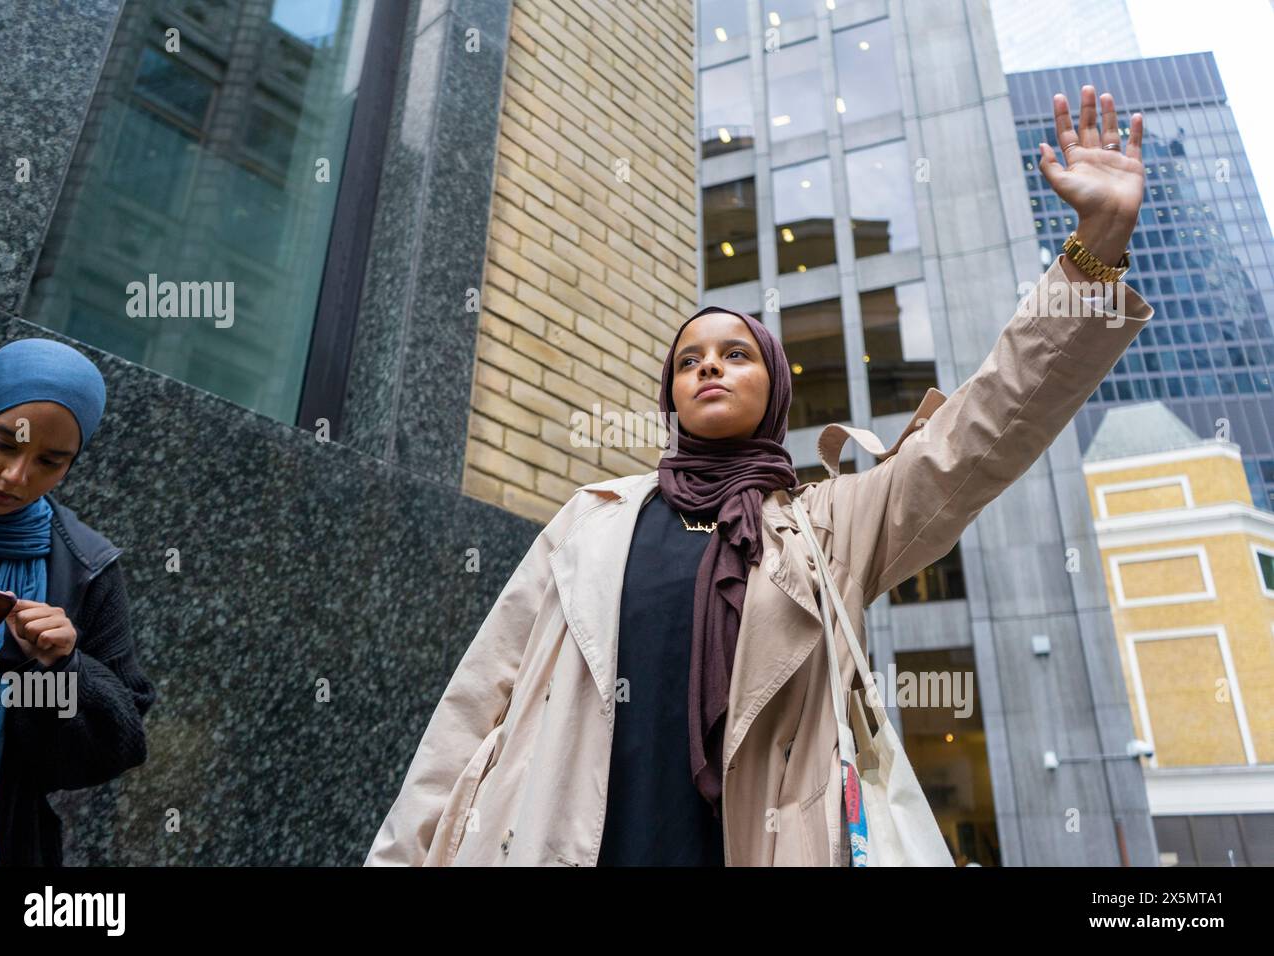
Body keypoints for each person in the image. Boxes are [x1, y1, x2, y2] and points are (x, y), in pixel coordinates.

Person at [366, 86, 1153, 866]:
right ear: (671, 395)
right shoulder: (592, 519)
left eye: (735, 353)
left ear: (774, 384)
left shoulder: (834, 524)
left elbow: (987, 427)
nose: (708, 364)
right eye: (688, 360)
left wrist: (1095, 255)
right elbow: (472, 710)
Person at [0, 337, 155, 867]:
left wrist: (57, 667)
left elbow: (116, 745)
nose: (17, 476)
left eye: (50, 462)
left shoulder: (82, 568)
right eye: (3, 444)